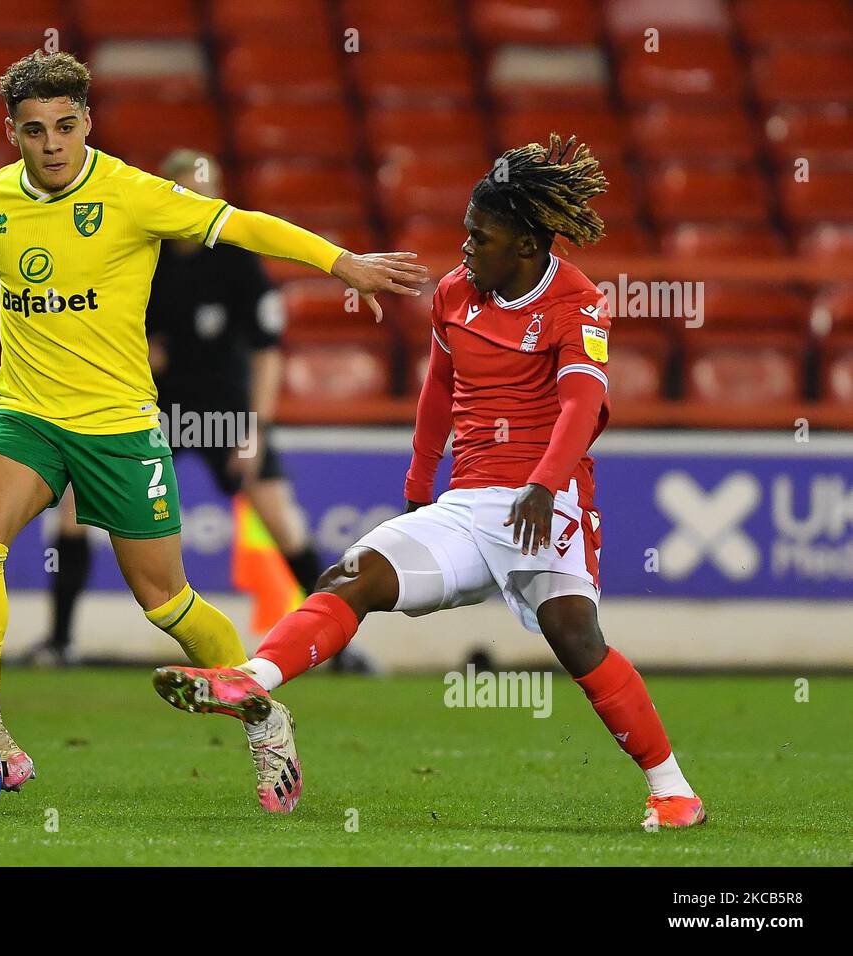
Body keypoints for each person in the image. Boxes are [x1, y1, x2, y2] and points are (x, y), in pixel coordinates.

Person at [0, 51, 426, 798]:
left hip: (120, 426)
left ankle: (264, 718)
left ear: (87, 122)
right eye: (35, 131)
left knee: (166, 601)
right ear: (13, 133)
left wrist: (339, 261)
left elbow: (242, 224)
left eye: (66, 126)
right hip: (26, 413)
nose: (53, 144)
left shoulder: (134, 194)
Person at [150, 135, 706, 829]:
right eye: (465, 233)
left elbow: (582, 404)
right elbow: (439, 393)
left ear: (528, 247)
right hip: (467, 505)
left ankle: (673, 789)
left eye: (482, 237)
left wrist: (542, 482)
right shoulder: (453, 294)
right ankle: (249, 680)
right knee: (350, 574)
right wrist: (418, 488)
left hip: (546, 500)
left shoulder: (579, 302)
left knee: (573, 634)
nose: (466, 248)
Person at [29, 148, 375, 674]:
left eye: (204, 187)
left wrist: (254, 430)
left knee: (283, 521)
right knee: (75, 509)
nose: (199, 198)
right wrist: (140, 346)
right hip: (150, 409)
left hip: (224, 413)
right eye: (187, 188)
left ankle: (340, 651)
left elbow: (266, 354)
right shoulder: (142, 254)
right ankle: (59, 642)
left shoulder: (235, 258)